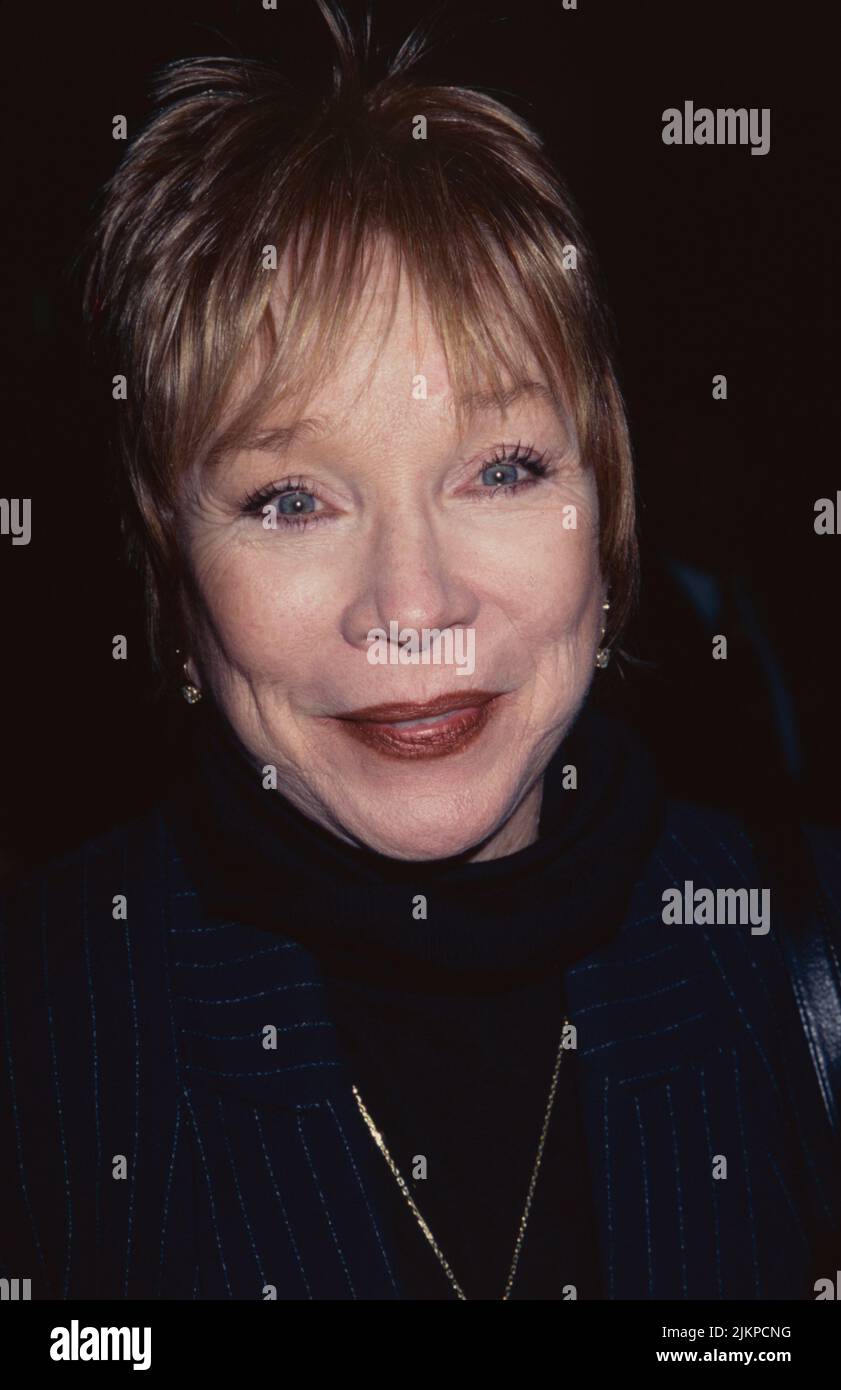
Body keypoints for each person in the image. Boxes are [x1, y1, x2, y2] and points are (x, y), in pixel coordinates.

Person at [1, 0, 839, 1301]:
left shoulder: (805, 961)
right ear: (174, 573)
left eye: (500, 468)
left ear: (604, 510)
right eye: (290, 498)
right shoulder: (42, 1038)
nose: (410, 602)